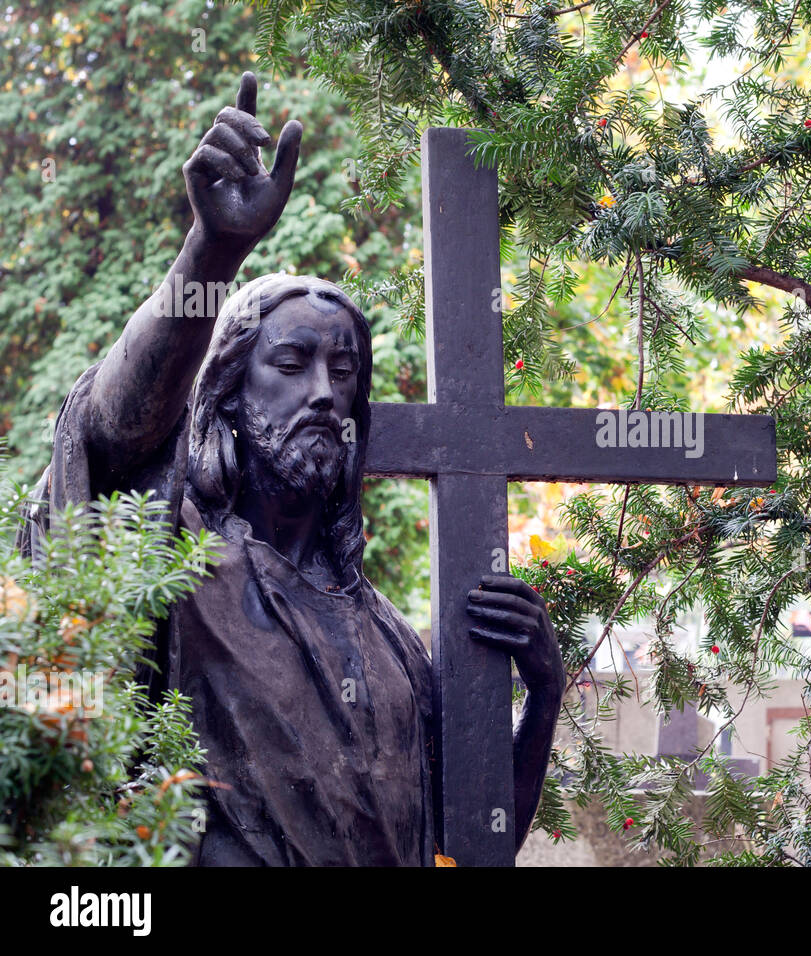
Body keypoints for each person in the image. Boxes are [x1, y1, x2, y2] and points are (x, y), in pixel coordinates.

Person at [20, 72, 563, 866]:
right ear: (230, 393)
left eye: (344, 372)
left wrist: (542, 700)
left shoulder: (391, 644)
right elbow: (109, 429)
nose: (322, 392)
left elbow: (474, 845)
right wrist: (215, 250)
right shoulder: (172, 570)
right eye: (291, 361)